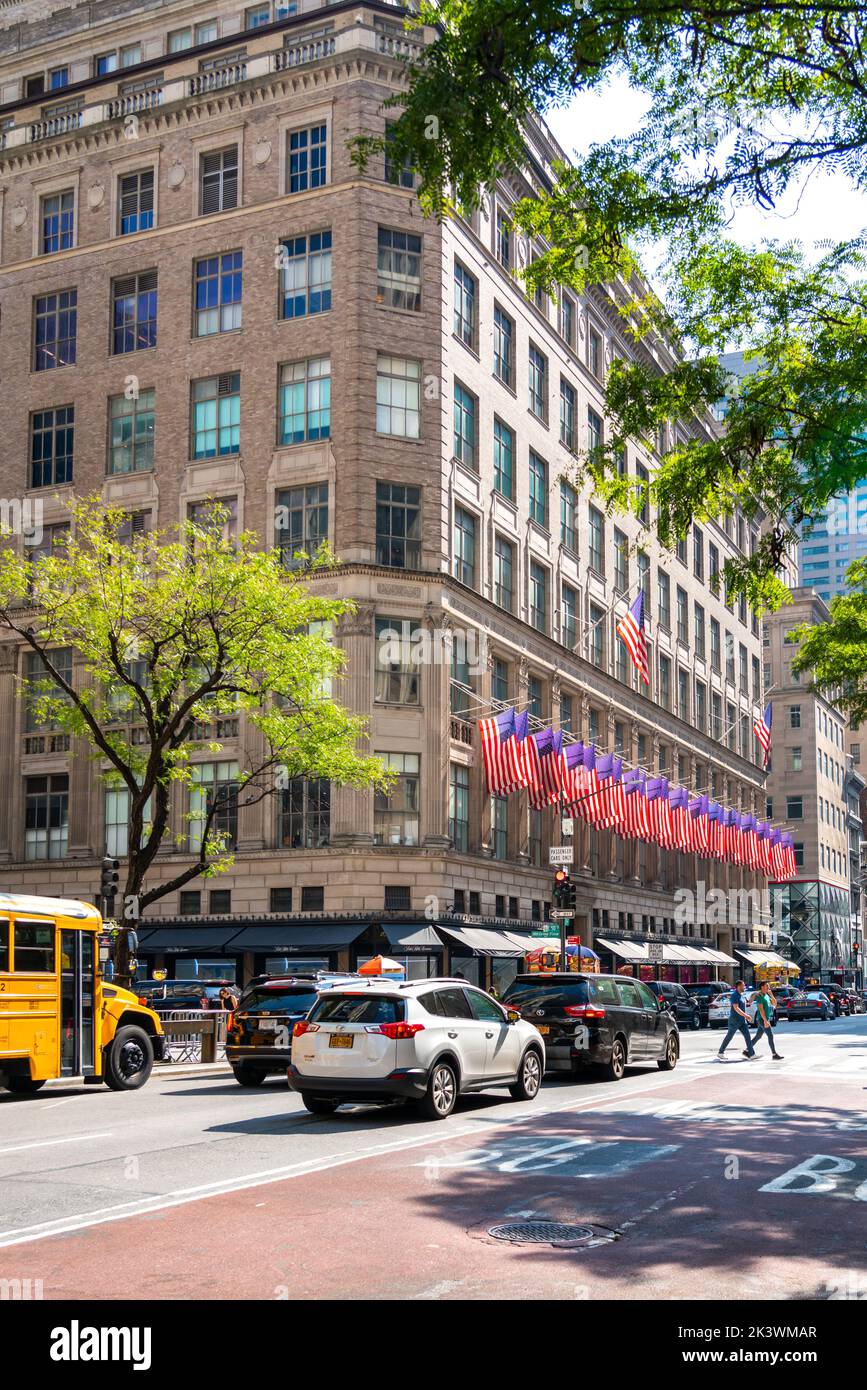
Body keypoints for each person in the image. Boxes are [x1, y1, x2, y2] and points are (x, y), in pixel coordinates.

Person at [717, 980, 757, 1060]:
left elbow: (748, 1003)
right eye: (743, 986)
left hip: (742, 1021)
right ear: (738, 986)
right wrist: (746, 1015)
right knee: (729, 1036)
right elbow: (736, 1008)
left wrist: (754, 996)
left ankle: (752, 1054)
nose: (744, 987)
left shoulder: (742, 995)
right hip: (734, 1020)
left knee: (747, 1037)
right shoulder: (735, 995)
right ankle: (720, 1052)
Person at [749, 983, 783, 1060]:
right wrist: (765, 1021)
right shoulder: (759, 997)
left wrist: (771, 995)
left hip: (764, 1019)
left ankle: (748, 1049)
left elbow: (774, 1004)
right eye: (767, 986)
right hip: (762, 1019)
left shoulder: (766, 996)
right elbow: (761, 1010)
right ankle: (774, 1054)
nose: (768, 987)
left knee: (758, 1036)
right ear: (762, 987)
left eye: (768, 986)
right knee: (770, 1036)